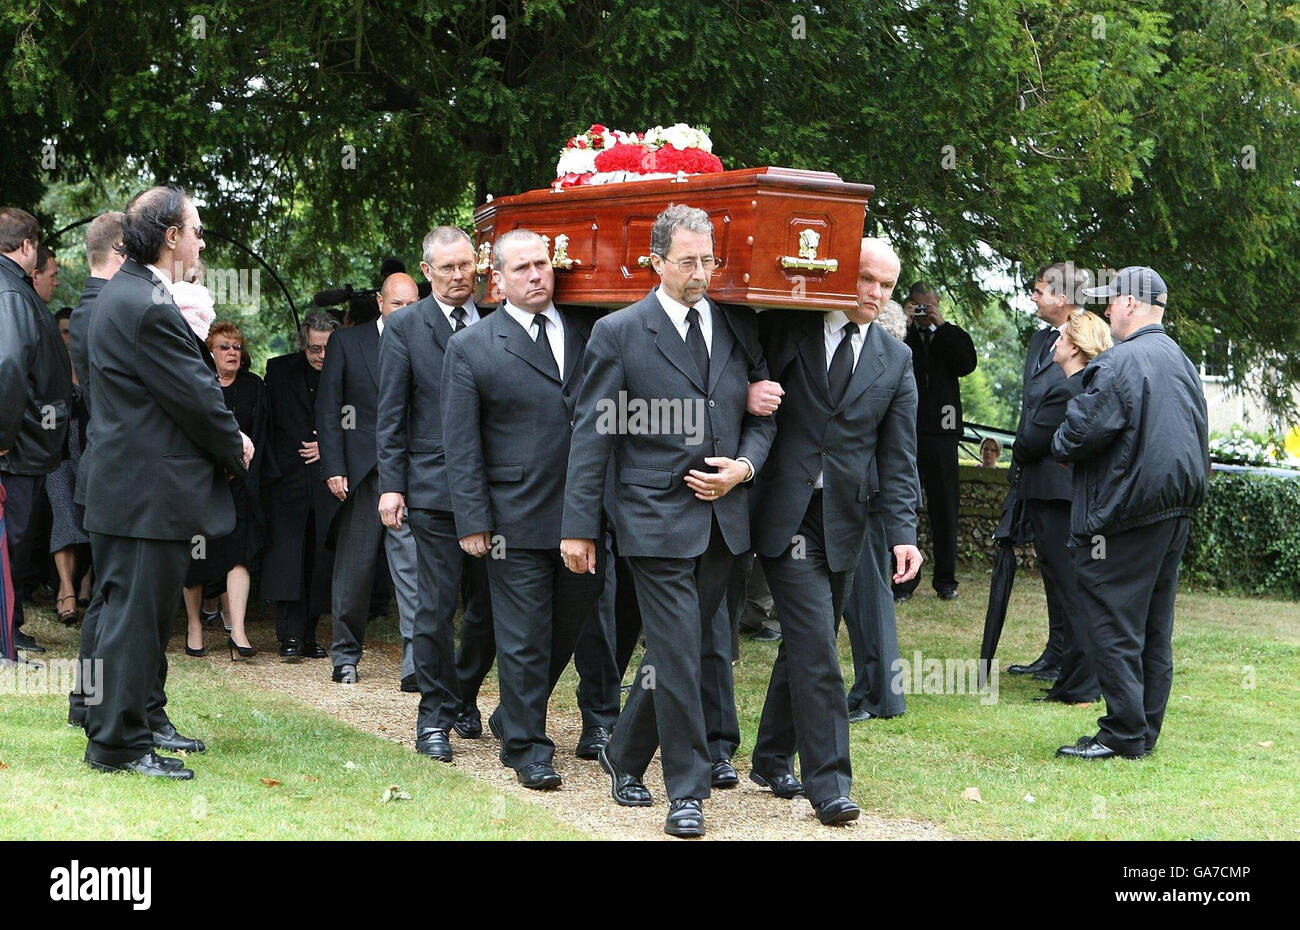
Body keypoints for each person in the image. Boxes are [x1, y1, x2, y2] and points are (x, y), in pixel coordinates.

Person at [562, 204, 775, 837]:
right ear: (656, 262)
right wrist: (578, 526)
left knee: (678, 650)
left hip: (724, 520)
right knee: (682, 651)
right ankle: (688, 789)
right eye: (688, 262)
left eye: (709, 260)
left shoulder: (738, 324)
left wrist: (744, 468)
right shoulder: (619, 332)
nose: (701, 273)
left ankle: (624, 754)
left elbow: (764, 416)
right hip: (653, 518)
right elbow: (592, 435)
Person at [746, 237, 921, 823]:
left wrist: (904, 534)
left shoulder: (895, 361)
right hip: (781, 513)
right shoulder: (783, 328)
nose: (875, 294)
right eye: (866, 280)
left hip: (846, 523)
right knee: (818, 641)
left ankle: (771, 757)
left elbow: (899, 460)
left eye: (887, 286)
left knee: (805, 642)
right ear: (844, 275)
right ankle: (831, 785)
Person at [80, 185, 250, 779]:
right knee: (133, 620)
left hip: (133, 488)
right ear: (171, 236)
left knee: (135, 616)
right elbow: (197, 397)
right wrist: (236, 444)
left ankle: (128, 725)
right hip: (142, 492)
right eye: (197, 229)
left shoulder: (133, 292)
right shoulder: (146, 304)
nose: (202, 240)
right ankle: (118, 745)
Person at [442, 229, 601, 787]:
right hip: (514, 519)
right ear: (499, 279)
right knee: (524, 634)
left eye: (543, 264)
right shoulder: (471, 346)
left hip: (584, 514)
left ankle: (515, 712)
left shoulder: (590, 330)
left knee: (568, 626)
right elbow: (460, 444)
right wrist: (473, 522)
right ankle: (527, 746)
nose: (537, 275)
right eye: (523, 268)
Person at [1052, 267, 1208, 760]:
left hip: (1123, 512)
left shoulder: (1119, 364)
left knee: (1114, 621)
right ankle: (1142, 733)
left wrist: (1073, 395)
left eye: (1111, 301)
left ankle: (1123, 733)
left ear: (1130, 305)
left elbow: (1073, 438)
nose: (1105, 311)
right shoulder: (1181, 360)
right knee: (1154, 627)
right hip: (1173, 511)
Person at [376, 228, 496, 757]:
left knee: (489, 609)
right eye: (446, 268)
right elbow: (391, 414)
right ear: (427, 272)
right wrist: (392, 486)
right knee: (433, 608)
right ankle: (433, 718)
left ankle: (462, 694)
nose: (457, 276)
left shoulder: (498, 319)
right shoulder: (405, 327)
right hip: (431, 491)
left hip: (497, 491)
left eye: (465, 266)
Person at [319, 272, 421, 685]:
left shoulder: (431, 342)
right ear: (380, 302)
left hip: (412, 473)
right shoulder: (347, 341)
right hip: (361, 474)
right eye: (398, 304)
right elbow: (329, 408)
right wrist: (333, 466)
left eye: (413, 304)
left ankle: (416, 665)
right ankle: (345, 656)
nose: (406, 312)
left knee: (412, 570)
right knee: (354, 571)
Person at [1013, 308, 1112, 704]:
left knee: (1067, 590)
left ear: (1074, 347)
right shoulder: (1097, 388)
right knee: (1076, 588)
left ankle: (1078, 685)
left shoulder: (1065, 391)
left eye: (1061, 339)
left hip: (1055, 500)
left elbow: (1027, 445)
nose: (1054, 343)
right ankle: (1077, 680)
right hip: (1081, 499)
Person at [1007, 262, 1089, 681]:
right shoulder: (1040, 339)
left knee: (1067, 572)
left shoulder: (1086, 339)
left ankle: (1075, 659)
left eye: (1039, 290)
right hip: (1035, 476)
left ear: (1062, 296)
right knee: (1051, 572)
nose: (1034, 297)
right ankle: (1055, 651)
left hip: (1065, 479)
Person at [0, 207, 71, 657]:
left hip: (24, 444)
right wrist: (2, 436)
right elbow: (8, 368)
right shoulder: (9, 290)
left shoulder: (13, 286)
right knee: (11, 543)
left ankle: (9, 627)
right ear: (27, 246)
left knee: (18, 545)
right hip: (15, 448)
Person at [842, 296, 914, 723]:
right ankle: (870, 689)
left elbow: (896, 448)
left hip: (871, 496)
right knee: (860, 599)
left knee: (871, 596)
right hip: (867, 494)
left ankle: (883, 696)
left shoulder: (889, 365)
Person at [182, 320, 270, 659]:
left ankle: (239, 632)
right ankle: (194, 626)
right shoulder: (199, 385)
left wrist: (243, 472)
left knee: (240, 555)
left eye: (236, 347)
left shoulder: (253, 387)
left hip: (241, 486)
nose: (232, 353)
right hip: (202, 487)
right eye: (224, 347)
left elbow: (261, 435)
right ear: (209, 352)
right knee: (197, 557)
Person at [262, 312, 340, 660]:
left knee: (321, 557)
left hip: (328, 478)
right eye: (314, 349)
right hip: (288, 478)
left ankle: (309, 634)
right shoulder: (279, 371)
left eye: (327, 349)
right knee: (288, 557)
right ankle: (289, 636)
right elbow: (267, 423)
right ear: (303, 344)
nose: (321, 356)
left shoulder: (347, 372)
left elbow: (359, 419)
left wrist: (329, 444)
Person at [895, 282, 976, 601]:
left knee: (945, 508)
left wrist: (942, 325)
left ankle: (946, 581)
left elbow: (967, 364)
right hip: (907, 433)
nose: (925, 312)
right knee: (903, 506)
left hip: (943, 434)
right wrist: (906, 322)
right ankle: (902, 582)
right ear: (909, 304)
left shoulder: (949, 336)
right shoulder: (903, 335)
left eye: (930, 306)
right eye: (919, 306)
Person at [45, 307, 92, 623]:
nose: (70, 337)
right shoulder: (49, 370)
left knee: (91, 519)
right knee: (64, 517)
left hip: (92, 452)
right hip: (57, 452)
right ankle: (67, 591)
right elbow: (41, 412)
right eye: (64, 331)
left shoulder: (94, 369)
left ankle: (87, 584)